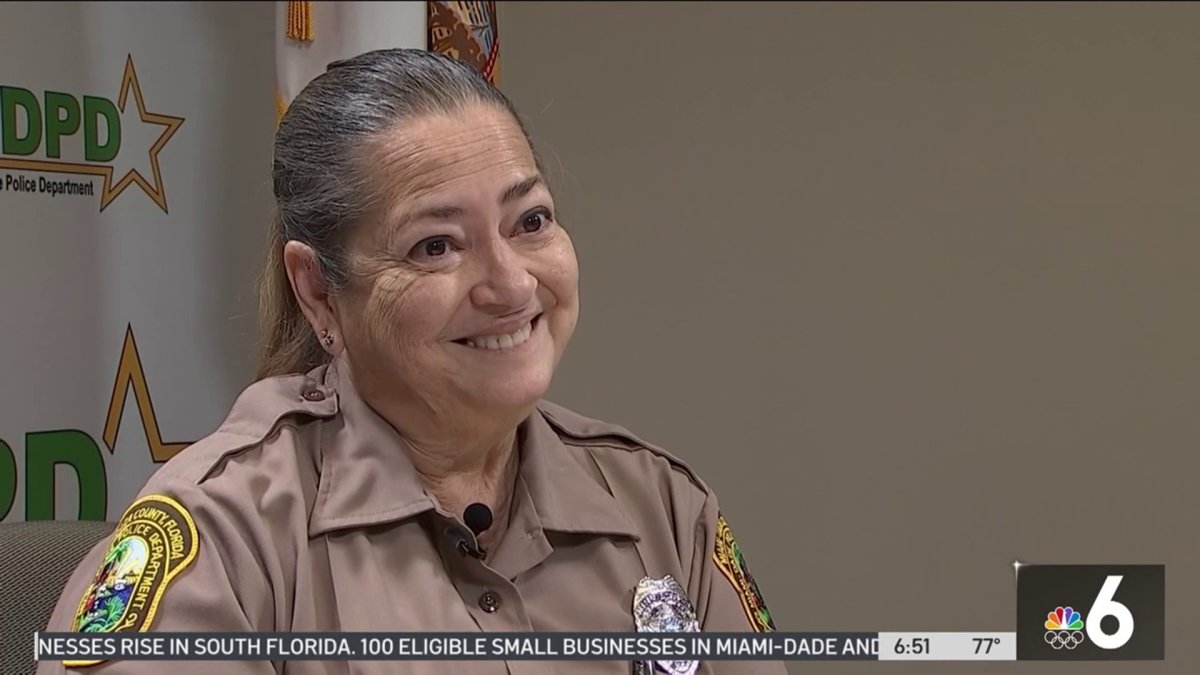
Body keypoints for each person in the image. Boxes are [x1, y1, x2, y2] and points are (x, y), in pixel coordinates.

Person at [37, 48, 786, 675]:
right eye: (437, 245)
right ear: (319, 293)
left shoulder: (664, 509)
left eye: (530, 221)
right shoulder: (226, 538)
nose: (512, 284)